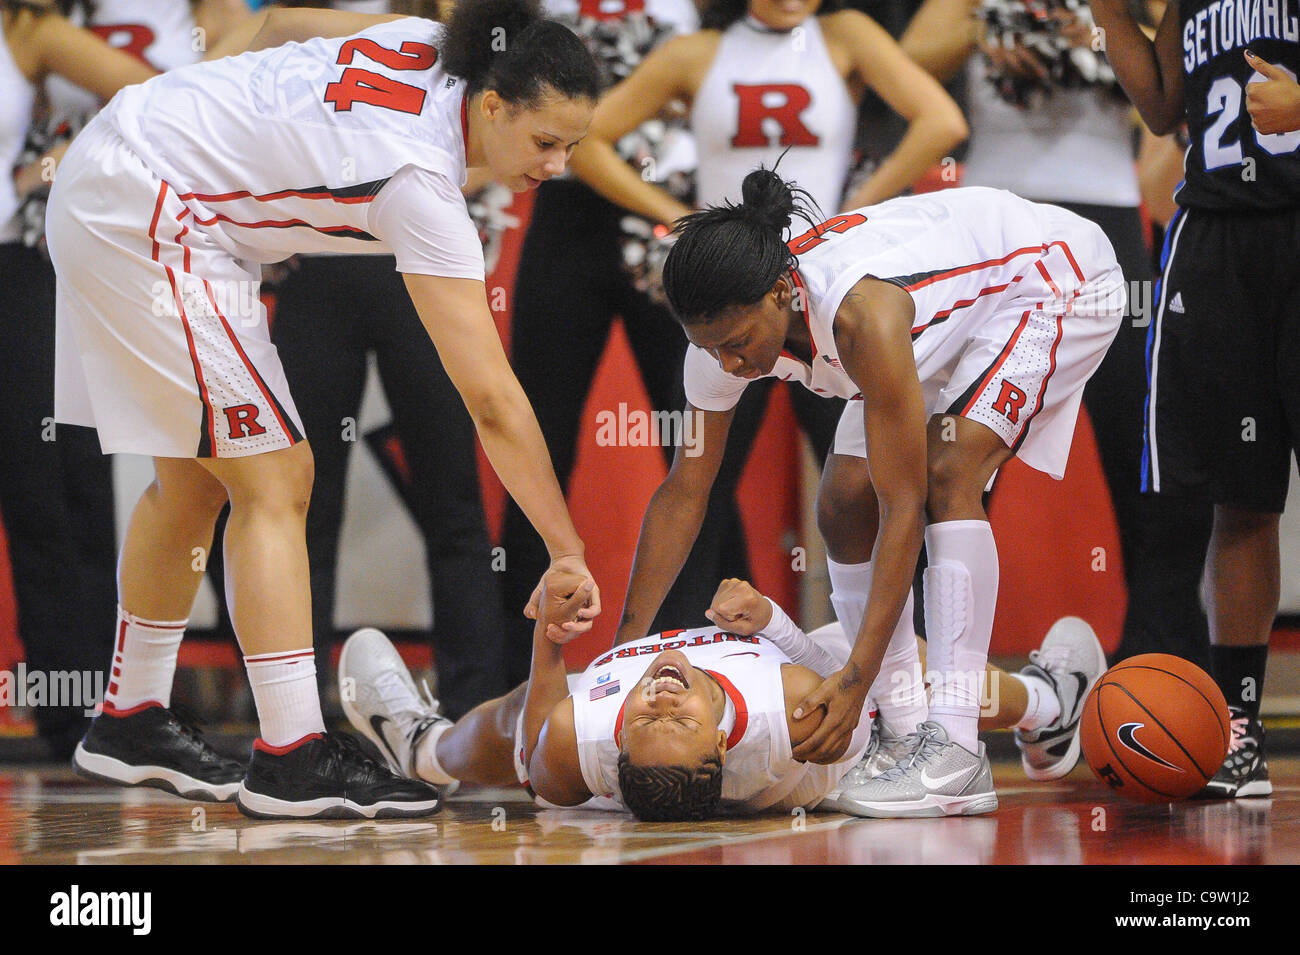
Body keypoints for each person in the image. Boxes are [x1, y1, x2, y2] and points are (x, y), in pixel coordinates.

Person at [51, 0, 601, 820]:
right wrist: (566, 547)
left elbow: (278, 24)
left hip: (132, 163)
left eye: (573, 147)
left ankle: (130, 717)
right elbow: (491, 399)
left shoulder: (425, 42)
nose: (557, 165)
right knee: (277, 477)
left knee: (198, 477)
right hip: (150, 207)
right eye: (546, 142)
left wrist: (208, 113)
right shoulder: (420, 180)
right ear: (492, 105)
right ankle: (292, 755)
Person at [611, 165, 1125, 816]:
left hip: (1052, 278)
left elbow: (902, 507)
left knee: (948, 475)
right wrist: (624, 650)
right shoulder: (718, 342)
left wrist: (855, 680)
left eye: (738, 345)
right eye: (711, 350)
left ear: (780, 293)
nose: (729, 365)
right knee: (840, 504)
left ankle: (956, 750)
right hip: (948, 312)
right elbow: (685, 491)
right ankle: (907, 731)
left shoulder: (863, 318)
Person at [901, 0, 1216, 674]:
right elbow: (909, 57)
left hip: (1108, 219)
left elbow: (1178, 78)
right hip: (991, 223)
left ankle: (1161, 650)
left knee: (1143, 440)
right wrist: (990, 32)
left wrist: (1102, 35)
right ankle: (927, 651)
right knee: (955, 438)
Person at [337, 576, 1107, 820]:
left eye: (648, 713)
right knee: (917, 668)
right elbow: (853, 684)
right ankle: (1049, 705)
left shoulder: (586, 742)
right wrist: (772, 619)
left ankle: (421, 747)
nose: (662, 695)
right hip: (853, 732)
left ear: (618, 743)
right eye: (681, 714)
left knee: (517, 723)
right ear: (719, 739)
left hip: (632, 768)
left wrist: (549, 641)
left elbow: (540, 759)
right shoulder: (786, 710)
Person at [1090, 0, 1300, 798]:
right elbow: (1160, 107)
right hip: (1217, 238)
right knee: (1239, 501)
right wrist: (1110, 16)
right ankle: (1239, 726)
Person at [0, 0, 159, 759]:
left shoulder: (22, 26)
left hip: (15, 270)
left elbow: (148, 94)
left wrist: (47, 167)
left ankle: (85, 714)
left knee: (56, 494)